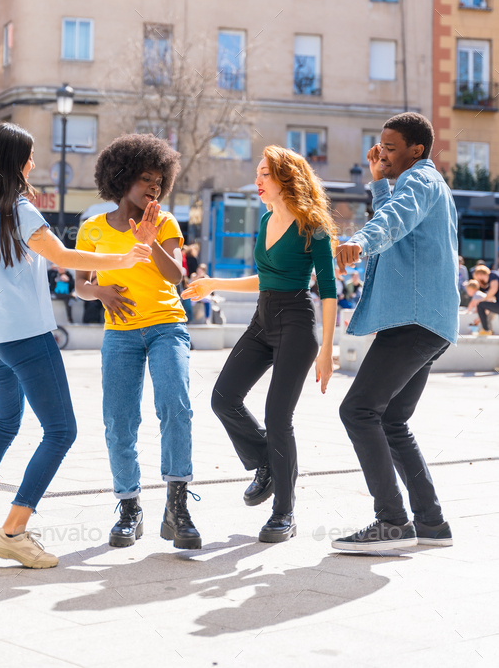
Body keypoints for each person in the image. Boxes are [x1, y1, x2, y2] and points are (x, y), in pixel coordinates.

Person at [0, 122, 152, 569]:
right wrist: (125, 257)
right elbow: (64, 257)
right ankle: (13, 530)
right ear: (13, 163)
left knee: (5, 423)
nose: (33, 164)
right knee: (60, 432)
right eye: (29, 156)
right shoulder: (19, 209)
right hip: (24, 335)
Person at [182, 145, 337, 544]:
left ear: (285, 177)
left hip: (298, 325)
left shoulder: (313, 226)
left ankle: (283, 513)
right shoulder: (266, 219)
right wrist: (214, 282)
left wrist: (326, 350)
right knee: (223, 397)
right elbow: (262, 277)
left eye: (264, 174)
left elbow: (330, 291)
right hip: (263, 319)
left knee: (277, 417)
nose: (258, 180)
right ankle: (266, 463)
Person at [333, 112, 459, 553]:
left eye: (390, 147)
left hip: (413, 320)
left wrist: (360, 241)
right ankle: (431, 523)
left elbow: (395, 220)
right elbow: (399, 215)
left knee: (359, 411)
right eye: (380, 145)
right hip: (429, 322)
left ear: (416, 150)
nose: (381, 151)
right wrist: (380, 179)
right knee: (391, 420)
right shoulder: (427, 183)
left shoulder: (420, 181)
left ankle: (392, 523)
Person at [75, 134, 202, 550]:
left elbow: (174, 276)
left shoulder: (164, 222)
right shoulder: (93, 228)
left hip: (166, 325)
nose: (154, 186)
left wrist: (147, 242)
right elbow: (80, 285)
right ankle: (129, 507)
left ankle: (177, 506)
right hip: (120, 334)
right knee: (119, 421)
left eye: (159, 179)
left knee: (176, 407)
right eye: (146, 177)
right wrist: (102, 293)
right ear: (121, 177)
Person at [476, 266, 499, 335]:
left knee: (480, 305)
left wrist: (483, 299)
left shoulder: (492, 275)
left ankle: (486, 330)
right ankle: (487, 330)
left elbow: (494, 289)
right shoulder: (490, 281)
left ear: (480, 275)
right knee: (482, 305)